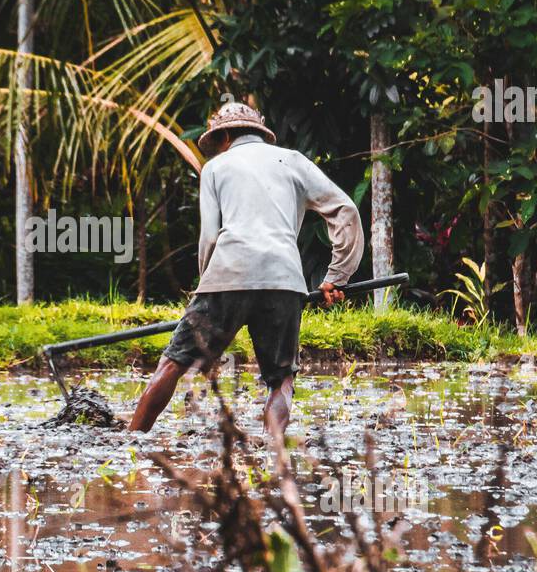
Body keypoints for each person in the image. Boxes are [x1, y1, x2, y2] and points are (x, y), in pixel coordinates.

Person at [128, 101, 364, 439]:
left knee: (173, 363)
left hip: (228, 272)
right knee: (281, 380)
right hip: (284, 280)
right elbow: (344, 210)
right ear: (259, 133)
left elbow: (210, 238)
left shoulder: (215, 167)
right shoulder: (293, 161)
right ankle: (274, 455)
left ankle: (129, 444)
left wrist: (207, 288)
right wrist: (337, 276)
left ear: (224, 137)